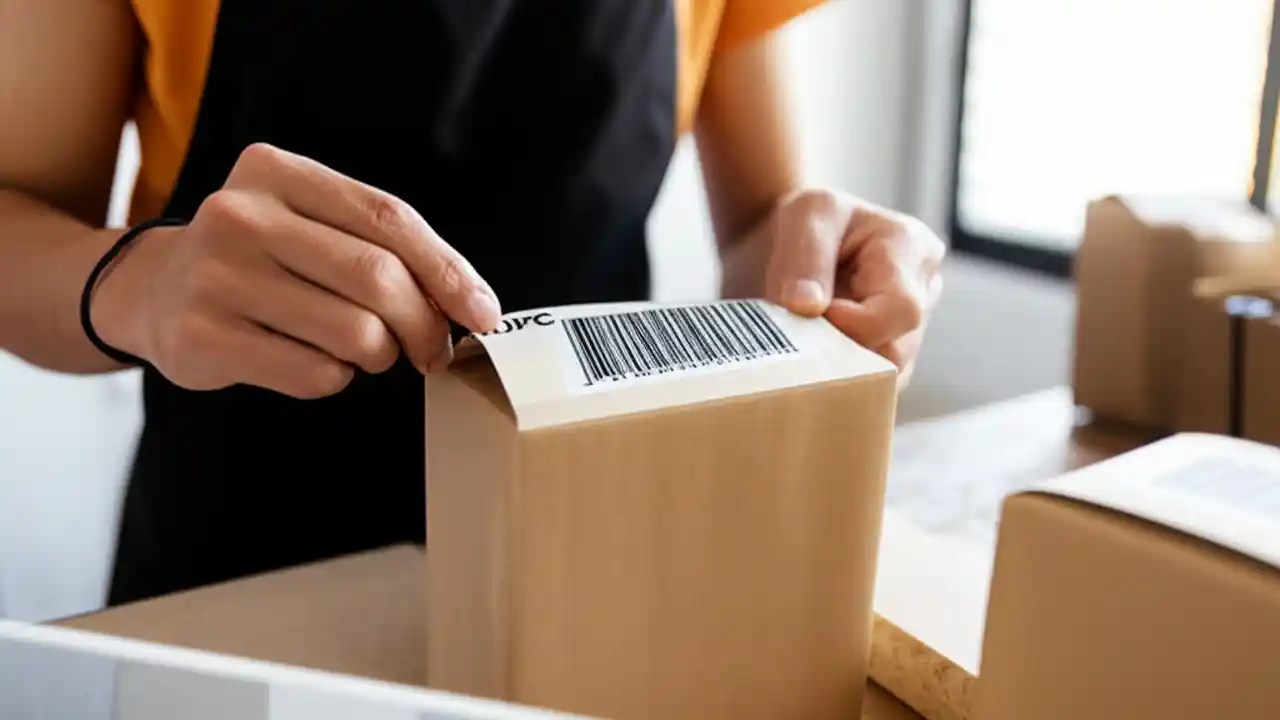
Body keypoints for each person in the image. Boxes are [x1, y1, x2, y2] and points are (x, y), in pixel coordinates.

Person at [0, 0, 945, 606]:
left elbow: (758, 243)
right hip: (243, 562)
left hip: (592, 557)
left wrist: (821, 271)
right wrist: (134, 285)